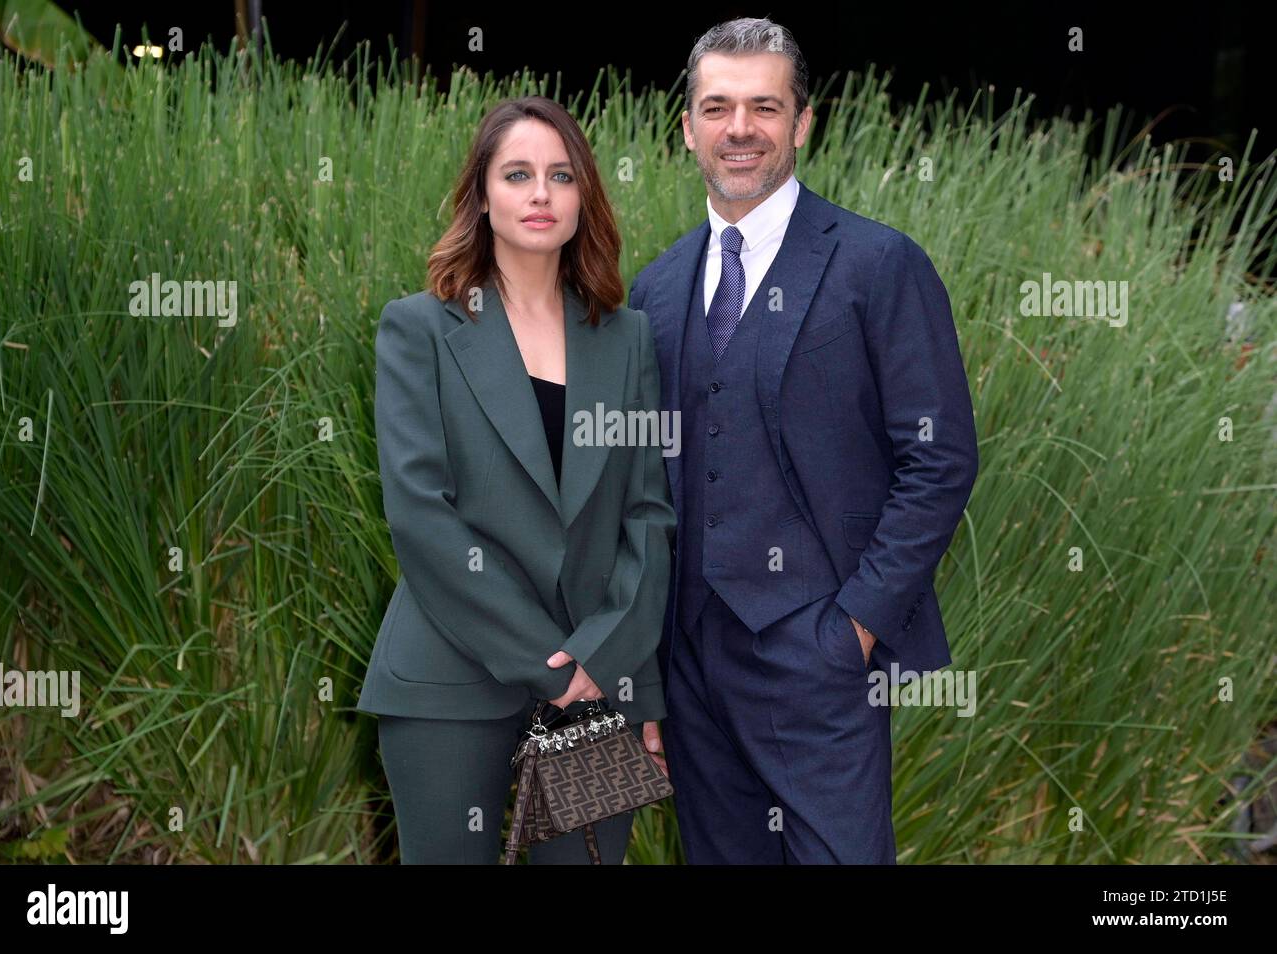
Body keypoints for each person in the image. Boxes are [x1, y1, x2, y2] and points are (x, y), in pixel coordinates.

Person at [631, 17, 979, 863]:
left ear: (803, 122)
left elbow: (939, 459)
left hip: (823, 660)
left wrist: (855, 626)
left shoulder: (877, 263)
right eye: (717, 107)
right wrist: (648, 669)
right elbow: (643, 488)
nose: (739, 129)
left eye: (764, 107)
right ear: (687, 128)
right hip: (691, 671)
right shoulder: (658, 285)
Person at [356, 95, 676, 864]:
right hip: (448, 676)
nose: (540, 193)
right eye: (518, 174)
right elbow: (421, 518)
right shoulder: (420, 328)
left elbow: (649, 515)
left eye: (561, 176)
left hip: (599, 681)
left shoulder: (627, 339)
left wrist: (621, 668)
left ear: (583, 198)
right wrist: (546, 663)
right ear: (483, 194)